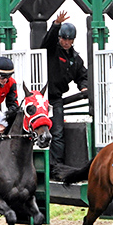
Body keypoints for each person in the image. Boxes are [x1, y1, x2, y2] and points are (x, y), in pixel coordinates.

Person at [41, 11, 89, 173]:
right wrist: (55, 25)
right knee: (39, 130)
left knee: (58, 132)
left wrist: (84, 86)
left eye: (69, 39)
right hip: (42, 99)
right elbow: (46, 42)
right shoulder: (52, 51)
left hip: (56, 99)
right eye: (63, 39)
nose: (66, 42)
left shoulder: (76, 59)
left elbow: (82, 75)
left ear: (73, 41)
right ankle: (40, 164)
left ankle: (56, 167)